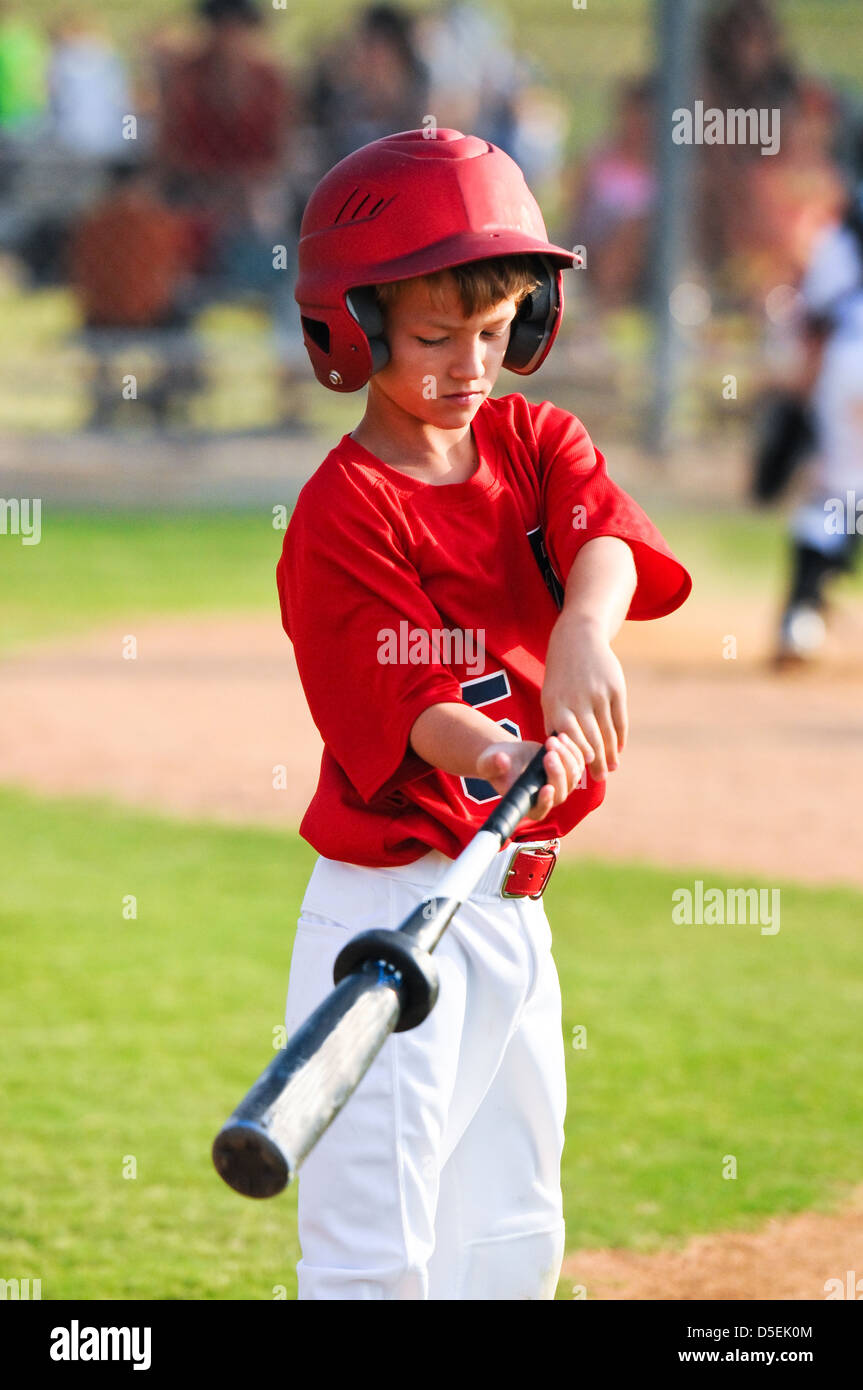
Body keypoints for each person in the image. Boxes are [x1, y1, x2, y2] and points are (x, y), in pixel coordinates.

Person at [275, 128, 692, 1301]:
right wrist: (504, 747)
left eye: (497, 328)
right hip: (395, 910)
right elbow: (408, 705)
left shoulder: (529, 439)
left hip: (509, 905)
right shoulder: (343, 511)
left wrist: (580, 632)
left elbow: (601, 534)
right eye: (433, 336)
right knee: (378, 1251)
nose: (471, 363)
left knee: (510, 1232)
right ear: (353, 331)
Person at [772, 178, 863, 665]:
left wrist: (799, 409)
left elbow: (814, 333)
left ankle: (802, 617)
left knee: (837, 495)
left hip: (850, 368)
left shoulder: (839, 242)